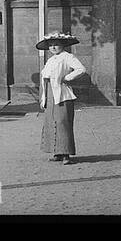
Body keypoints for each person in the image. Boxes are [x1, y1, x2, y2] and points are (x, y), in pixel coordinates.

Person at [38, 33, 87, 165]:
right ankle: (57, 152)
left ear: (63, 45)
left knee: (62, 123)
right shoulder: (50, 60)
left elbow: (81, 69)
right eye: (51, 45)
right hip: (49, 93)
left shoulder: (68, 57)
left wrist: (67, 78)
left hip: (62, 94)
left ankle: (66, 154)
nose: (53, 47)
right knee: (51, 122)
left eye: (56, 44)